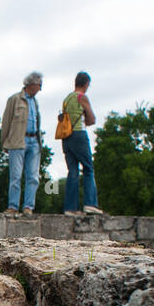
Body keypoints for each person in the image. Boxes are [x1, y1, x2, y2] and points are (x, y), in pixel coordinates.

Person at [1, 71, 43, 215]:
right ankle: (13, 206)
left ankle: (28, 207)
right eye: (39, 85)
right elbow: (6, 121)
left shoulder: (35, 102)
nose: (40, 89)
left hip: (34, 141)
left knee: (33, 176)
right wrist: (4, 142)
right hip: (18, 140)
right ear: (31, 84)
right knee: (16, 176)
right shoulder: (14, 99)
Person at [61, 71, 102, 215]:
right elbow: (92, 119)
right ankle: (90, 203)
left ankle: (70, 207)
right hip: (79, 134)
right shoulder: (81, 97)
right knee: (88, 168)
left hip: (66, 137)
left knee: (72, 171)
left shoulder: (66, 99)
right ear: (86, 84)